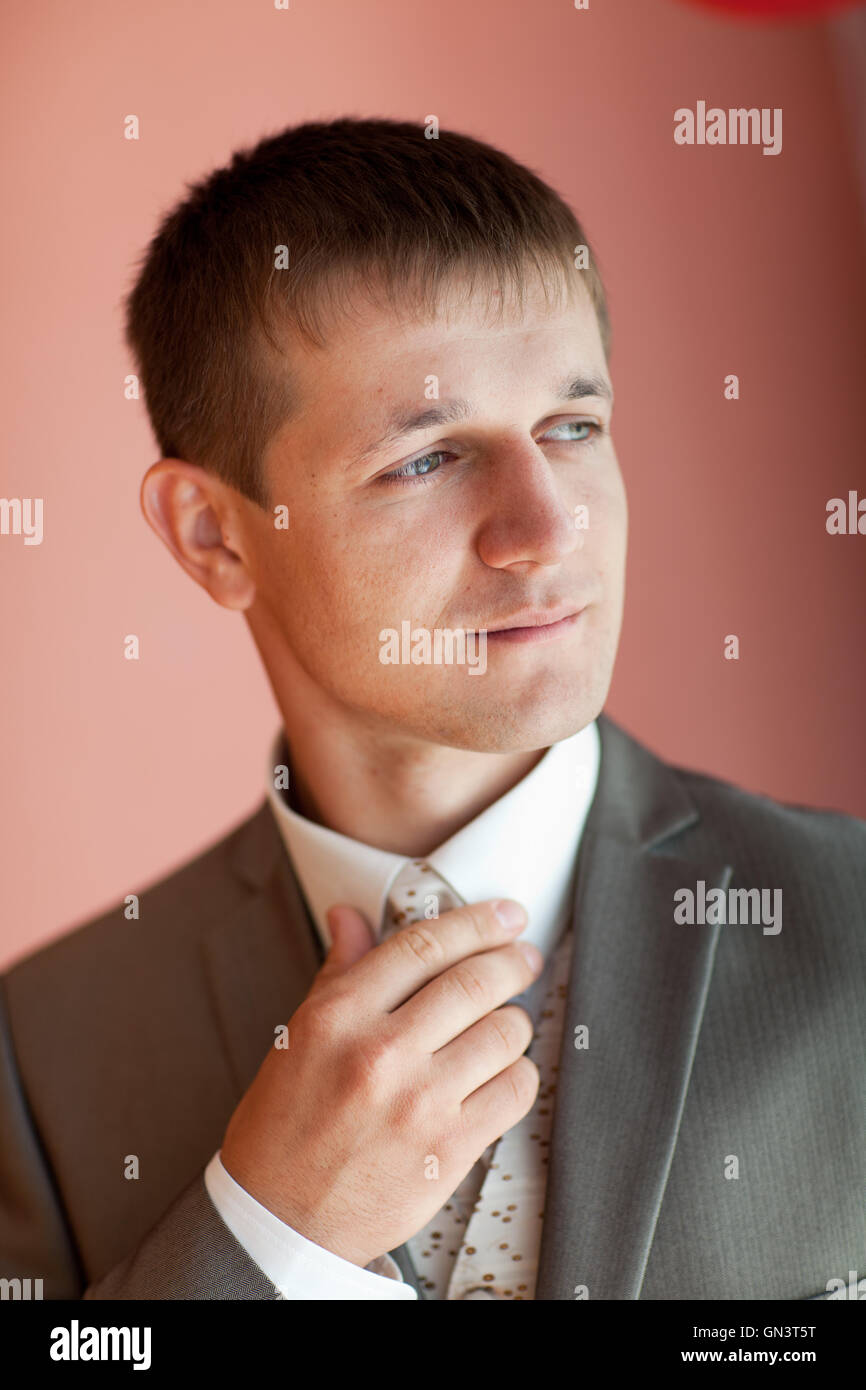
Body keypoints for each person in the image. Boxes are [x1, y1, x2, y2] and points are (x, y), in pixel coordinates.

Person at [1, 117, 863, 1302]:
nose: (549, 528)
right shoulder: (39, 1049)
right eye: (425, 458)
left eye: (573, 428)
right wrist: (264, 1238)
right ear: (213, 536)